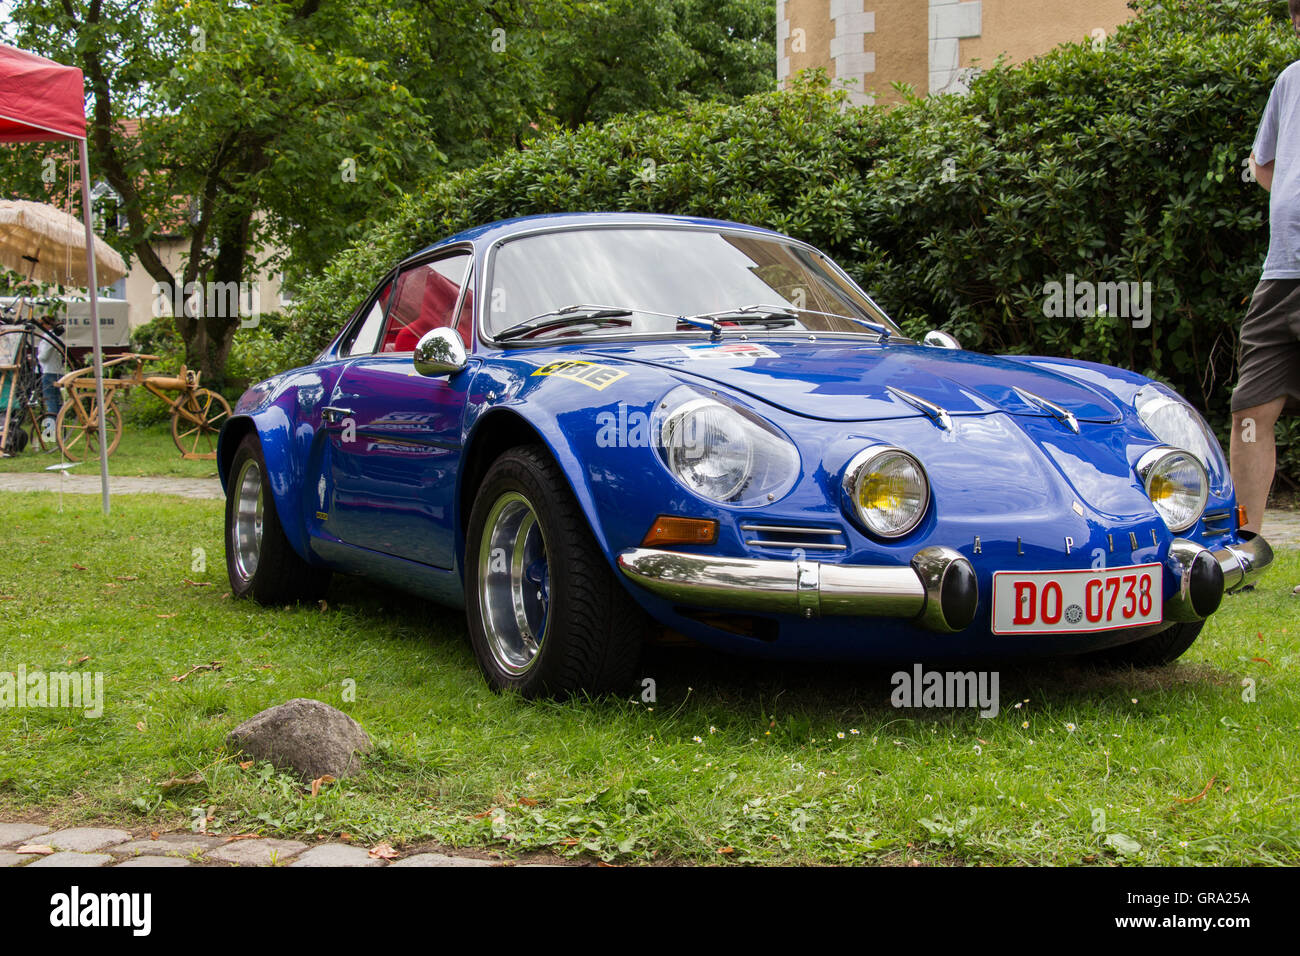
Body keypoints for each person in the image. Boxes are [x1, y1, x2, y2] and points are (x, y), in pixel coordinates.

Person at [1235, 0, 1300, 563]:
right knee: (1250, 411)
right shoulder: (1290, 81)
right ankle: (1245, 547)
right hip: (1280, 273)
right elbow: (1263, 163)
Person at [36, 313, 66, 420]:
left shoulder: (49, 337)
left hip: (49, 371)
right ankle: (59, 427)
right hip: (57, 371)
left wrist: (37, 358)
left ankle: (51, 430)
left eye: (42, 324)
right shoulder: (57, 336)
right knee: (57, 401)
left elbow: (44, 356)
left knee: (50, 402)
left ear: (47, 325)